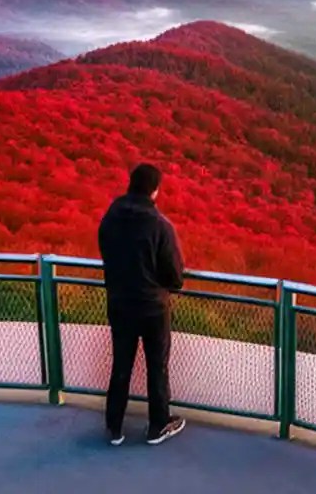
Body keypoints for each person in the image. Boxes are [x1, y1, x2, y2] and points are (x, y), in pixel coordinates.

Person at [98, 163, 186, 446]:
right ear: (155, 190)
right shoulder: (160, 225)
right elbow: (175, 276)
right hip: (152, 308)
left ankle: (114, 427)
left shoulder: (110, 217)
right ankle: (157, 425)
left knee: (121, 365)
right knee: (156, 367)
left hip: (120, 304)